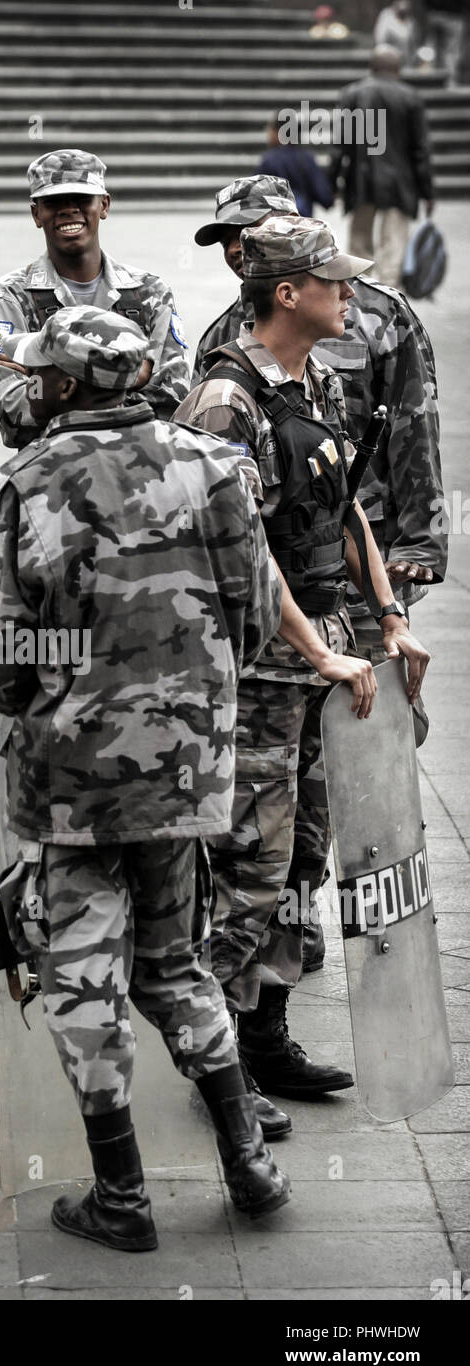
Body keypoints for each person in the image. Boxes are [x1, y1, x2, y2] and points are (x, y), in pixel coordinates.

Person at [0, 305, 290, 1252]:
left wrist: (50, 682)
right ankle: (250, 1162)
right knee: (176, 964)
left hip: (73, 785)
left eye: (38, 375)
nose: (28, 385)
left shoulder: (23, 480)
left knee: (84, 981)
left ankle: (124, 1198)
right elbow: (255, 615)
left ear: (63, 385)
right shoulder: (213, 467)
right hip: (185, 775)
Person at [175, 218, 430, 1136]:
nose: (351, 294)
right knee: (249, 868)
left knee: (304, 861)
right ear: (290, 294)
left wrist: (387, 620)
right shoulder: (224, 403)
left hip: (320, 661)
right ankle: (215, 1063)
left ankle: (263, 1033)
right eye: (336, 282)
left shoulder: (312, 377)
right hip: (257, 674)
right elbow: (239, 549)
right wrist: (319, 650)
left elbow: (347, 506)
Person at [194, 175, 445, 682]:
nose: (238, 246)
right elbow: (228, 521)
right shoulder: (223, 344)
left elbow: (414, 426)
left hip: (364, 553)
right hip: (280, 582)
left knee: (377, 722)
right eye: (228, 237)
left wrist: (420, 545)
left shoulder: (378, 314)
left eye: (250, 230)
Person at [0, 148, 190, 450]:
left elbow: (173, 399)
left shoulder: (150, 293)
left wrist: (55, 379)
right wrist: (132, 375)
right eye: (53, 202)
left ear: (103, 205)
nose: (68, 210)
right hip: (49, 476)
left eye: (81, 199)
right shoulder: (9, 297)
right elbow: (12, 413)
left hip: (140, 471)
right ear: (36, 213)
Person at [331, 45, 434, 287]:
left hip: (361, 181)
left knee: (359, 244)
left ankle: (361, 293)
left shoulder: (352, 94)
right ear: (398, 69)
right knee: (394, 245)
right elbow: (421, 149)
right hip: (400, 183)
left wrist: (332, 181)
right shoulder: (410, 97)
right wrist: (427, 191)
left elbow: (340, 146)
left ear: (372, 67)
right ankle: (388, 295)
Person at [256, 112, 334, 218]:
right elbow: (326, 198)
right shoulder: (306, 158)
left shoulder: (268, 160)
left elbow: (254, 197)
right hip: (302, 225)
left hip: (275, 226)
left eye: (271, 129)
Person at [374, 1, 417, 67]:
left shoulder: (410, 21)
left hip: (406, 62)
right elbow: (380, 41)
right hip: (389, 61)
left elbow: (413, 45)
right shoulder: (386, 16)